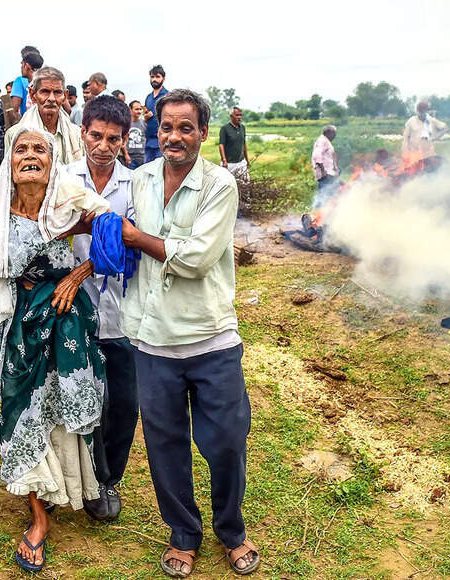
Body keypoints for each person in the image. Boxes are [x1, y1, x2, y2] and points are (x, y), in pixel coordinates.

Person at [0, 126, 107, 572]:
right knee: (22, 412)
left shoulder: (70, 207)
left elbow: (120, 235)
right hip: (14, 327)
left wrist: (78, 273)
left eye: (41, 149)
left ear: (54, 162)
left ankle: (62, 494)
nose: (31, 155)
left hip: (64, 322)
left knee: (57, 411)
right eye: (21, 149)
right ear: (9, 162)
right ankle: (38, 516)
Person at [119, 89, 259, 577]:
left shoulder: (219, 184)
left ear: (202, 132)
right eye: (166, 127)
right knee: (164, 442)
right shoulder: (138, 180)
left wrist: (137, 238)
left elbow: (198, 259)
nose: (174, 137)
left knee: (225, 440)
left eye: (185, 127)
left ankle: (232, 530)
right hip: (152, 336)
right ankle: (183, 532)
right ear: (155, 131)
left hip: (210, 336)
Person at [62, 95, 138, 523]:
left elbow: (133, 240)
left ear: (124, 139)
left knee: (124, 404)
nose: (103, 145)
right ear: (82, 133)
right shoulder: (64, 180)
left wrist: (91, 262)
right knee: (83, 397)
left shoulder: (135, 184)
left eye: (113, 138)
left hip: (124, 312)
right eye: (95, 135)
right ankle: (92, 478)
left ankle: (111, 479)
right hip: (73, 309)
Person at [3, 67, 85, 166]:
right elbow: (9, 175)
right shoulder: (14, 135)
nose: (51, 98)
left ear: (65, 96)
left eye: (57, 92)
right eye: (45, 91)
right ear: (33, 95)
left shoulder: (78, 136)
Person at [143, 65, 168, 163]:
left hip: (162, 139)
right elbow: (145, 118)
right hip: (149, 140)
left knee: (161, 169)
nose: (154, 79)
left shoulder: (167, 96)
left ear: (163, 78)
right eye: (152, 77)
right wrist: (145, 117)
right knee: (147, 170)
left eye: (157, 77)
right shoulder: (148, 97)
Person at [10, 50, 44, 122]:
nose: (21, 68)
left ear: (27, 66)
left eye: (22, 64)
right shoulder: (46, 83)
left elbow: (14, 111)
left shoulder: (31, 88)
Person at [218, 106, 249, 181]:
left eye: (240, 115)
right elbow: (221, 145)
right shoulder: (225, 128)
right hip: (229, 164)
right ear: (231, 116)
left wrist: (247, 160)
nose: (239, 117)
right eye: (237, 115)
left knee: (246, 183)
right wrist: (224, 160)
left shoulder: (242, 128)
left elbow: (243, 144)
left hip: (241, 162)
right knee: (228, 184)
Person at [311, 124, 339, 194]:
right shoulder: (322, 140)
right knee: (324, 196)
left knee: (328, 195)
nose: (335, 136)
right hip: (325, 174)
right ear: (329, 133)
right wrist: (323, 171)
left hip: (328, 173)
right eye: (334, 134)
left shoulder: (325, 141)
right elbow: (317, 155)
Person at [127, 100, 147, 169]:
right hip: (130, 157)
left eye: (140, 109)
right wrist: (126, 155)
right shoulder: (126, 124)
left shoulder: (144, 123)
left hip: (142, 157)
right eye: (136, 109)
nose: (139, 111)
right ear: (130, 109)